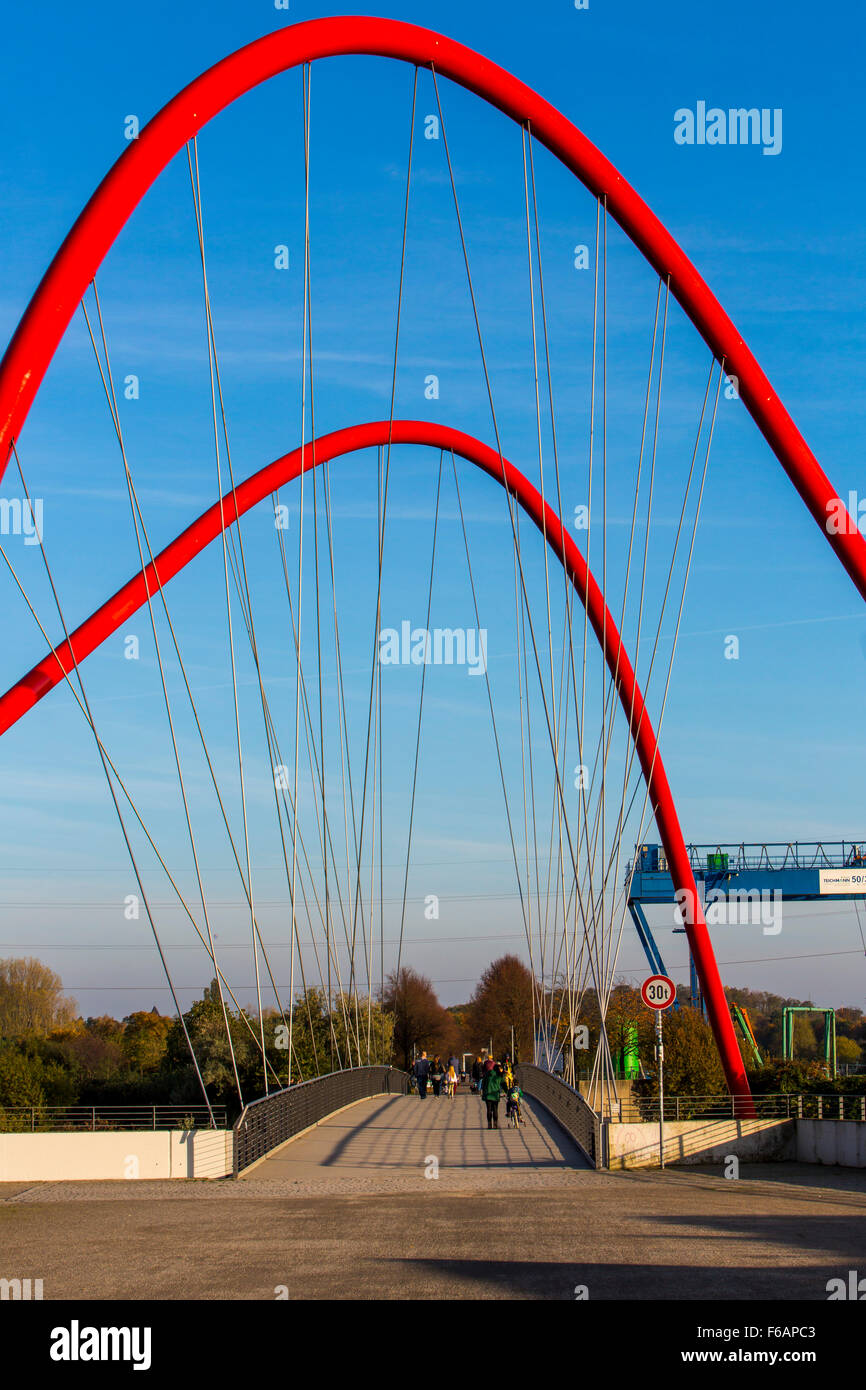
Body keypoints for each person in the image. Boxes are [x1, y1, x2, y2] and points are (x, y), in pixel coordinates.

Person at [481, 1061, 503, 1129]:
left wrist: (483, 1091)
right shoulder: (499, 1075)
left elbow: (483, 1084)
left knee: (489, 1109)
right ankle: (495, 1123)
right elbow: (503, 1084)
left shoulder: (487, 1074)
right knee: (495, 1109)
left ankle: (489, 1124)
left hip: (488, 1094)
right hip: (495, 1095)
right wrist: (507, 1092)